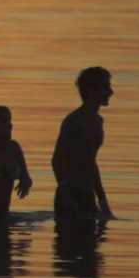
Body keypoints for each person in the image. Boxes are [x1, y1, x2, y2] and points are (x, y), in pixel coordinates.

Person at [52, 66, 115, 221]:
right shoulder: (74, 120)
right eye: (105, 87)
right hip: (71, 193)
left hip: (87, 193)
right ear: (90, 90)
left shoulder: (98, 121)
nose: (111, 92)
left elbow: (90, 162)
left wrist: (102, 199)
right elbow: (57, 160)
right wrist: (67, 197)